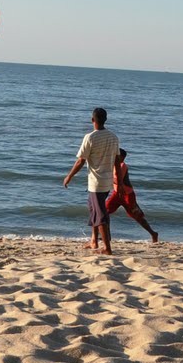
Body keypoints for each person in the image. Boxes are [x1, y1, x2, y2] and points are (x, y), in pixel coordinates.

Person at [62, 106, 119, 254]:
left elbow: (81, 161)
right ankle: (94, 240)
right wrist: (117, 182)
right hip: (107, 182)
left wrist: (69, 176)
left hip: (96, 183)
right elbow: (117, 162)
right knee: (93, 209)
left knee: (99, 214)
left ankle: (107, 248)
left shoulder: (90, 137)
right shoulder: (113, 137)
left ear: (92, 120)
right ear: (105, 120)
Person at [104, 148, 159, 242]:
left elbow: (118, 180)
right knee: (104, 212)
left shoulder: (122, 165)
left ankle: (153, 233)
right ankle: (107, 236)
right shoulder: (113, 165)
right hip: (116, 194)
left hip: (127, 195)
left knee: (137, 216)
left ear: (121, 157)